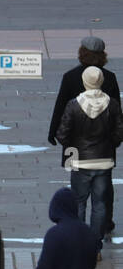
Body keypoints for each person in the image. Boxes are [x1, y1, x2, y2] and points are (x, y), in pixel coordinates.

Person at [49, 36, 121, 233]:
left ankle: (79, 235)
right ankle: (103, 228)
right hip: (103, 150)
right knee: (103, 197)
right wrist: (113, 142)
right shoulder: (110, 78)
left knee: (78, 198)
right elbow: (118, 120)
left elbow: (60, 107)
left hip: (77, 151)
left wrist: (55, 134)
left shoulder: (70, 77)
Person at [56, 65, 123, 258]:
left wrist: (72, 146)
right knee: (100, 205)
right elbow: (119, 132)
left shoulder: (73, 104)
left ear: (84, 82)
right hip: (103, 160)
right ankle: (95, 246)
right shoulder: (112, 104)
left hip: (80, 161)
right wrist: (110, 144)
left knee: (78, 203)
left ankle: (78, 244)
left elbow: (62, 133)